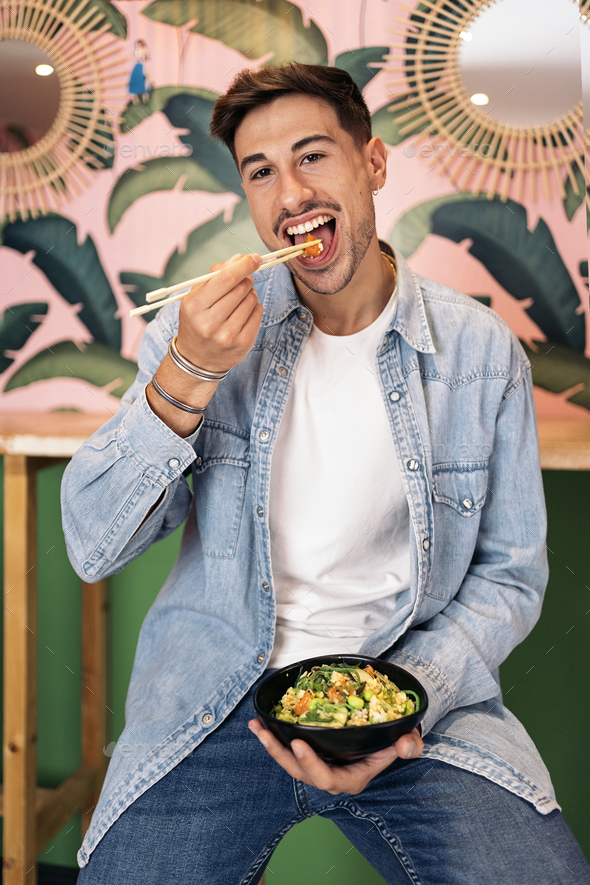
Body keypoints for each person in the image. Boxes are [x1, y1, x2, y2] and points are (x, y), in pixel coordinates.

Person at [63, 63, 590, 884]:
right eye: (261, 171)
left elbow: (511, 578)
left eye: (314, 156)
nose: (291, 194)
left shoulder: (482, 353)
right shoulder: (194, 330)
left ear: (372, 165)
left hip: (412, 693)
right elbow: (91, 545)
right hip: (219, 702)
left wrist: (396, 698)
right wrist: (187, 376)